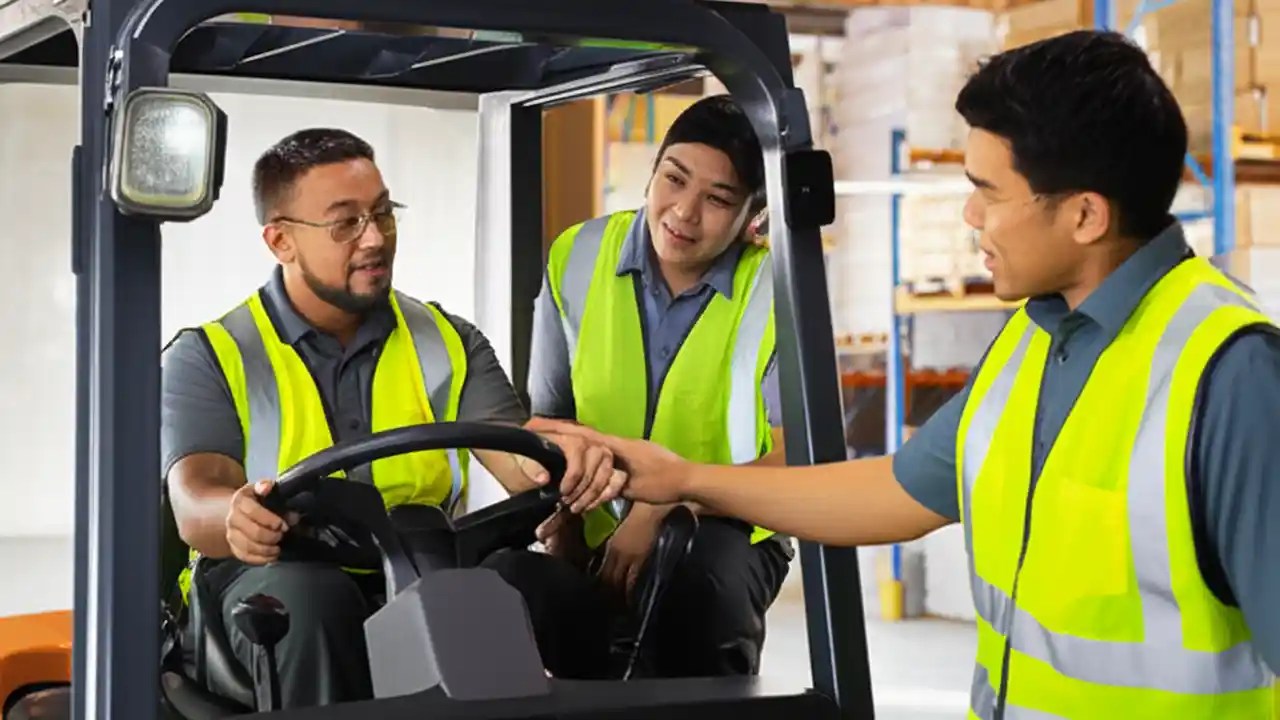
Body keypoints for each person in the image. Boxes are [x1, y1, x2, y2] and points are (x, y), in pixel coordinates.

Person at [529, 31, 1280, 719]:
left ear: (1085, 216)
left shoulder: (1232, 377)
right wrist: (685, 479)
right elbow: (893, 490)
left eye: (988, 193)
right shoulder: (1031, 342)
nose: (969, 218)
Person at [161, 128, 625, 708]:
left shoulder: (449, 340)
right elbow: (195, 496)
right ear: (280, 241)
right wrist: (234, 514)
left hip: (423, 560)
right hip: (276, 571)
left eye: (383, 213)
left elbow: (517, 453)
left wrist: (564, 460)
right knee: (311, 602)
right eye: (345, 222)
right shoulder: (211, 354)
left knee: (544, 586)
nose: (375, 237)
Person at [527, 94, 791, 679]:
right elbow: (546, 422)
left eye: (717, 199)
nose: (683, 213)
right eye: (673, 179)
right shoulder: (578, 254)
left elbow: (793, 459)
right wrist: (566, 523)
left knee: (698, 581)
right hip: (596, 524)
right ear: (652, 172)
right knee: (503, 586)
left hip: (726, 533)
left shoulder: (777, 292)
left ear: (754, 216)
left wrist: (667, 502)